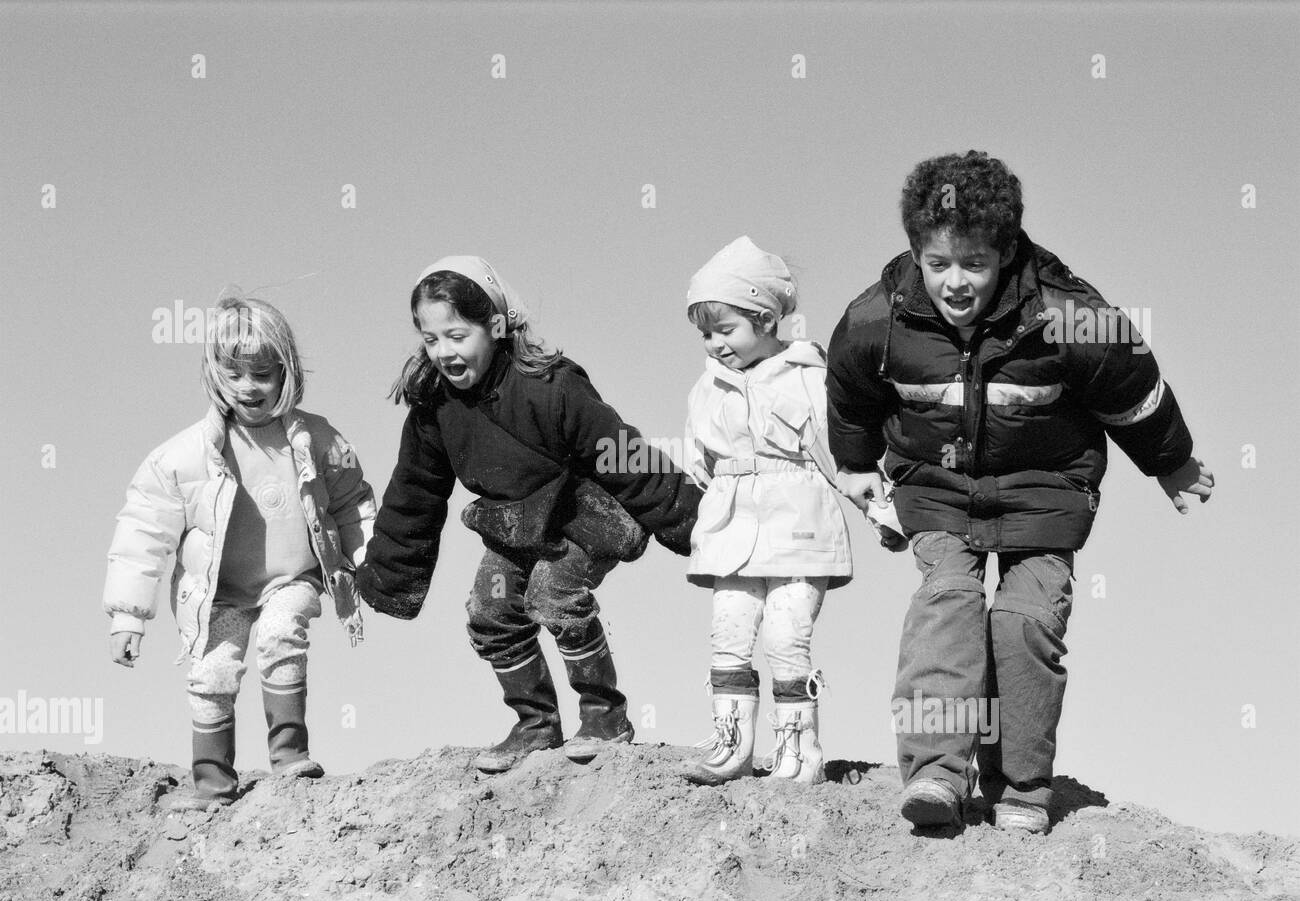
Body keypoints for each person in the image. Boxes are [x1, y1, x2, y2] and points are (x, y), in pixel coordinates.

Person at [828, 151, 1213, 832]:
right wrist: (856, 463)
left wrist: (1172, 462)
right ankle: (937, 774)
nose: (954, 281)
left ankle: (1022, 788)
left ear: (1007, 251)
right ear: (915, 250)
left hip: (1046, 493)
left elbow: (1133, 390)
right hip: (938, 489)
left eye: (974, 263)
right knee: (946, 603)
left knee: (1022, 624)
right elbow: (851, 393)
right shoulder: (878, 319)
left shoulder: (1067, 315)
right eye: (938, 262)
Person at [356, 256, 699, 773]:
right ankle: (535, 722)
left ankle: (605, 716)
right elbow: (415, 492)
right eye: (431, 340)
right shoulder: (434, 407)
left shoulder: (551, 385)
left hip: (588, 517)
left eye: (456, 334)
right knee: (489, 614)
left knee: (552, 594)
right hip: (516, 529)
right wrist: (386, 575)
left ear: (495, 325)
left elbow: (621, 452)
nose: (444, 352)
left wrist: (700, 523)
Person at [105, 294, 375, 810]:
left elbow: (352, 503)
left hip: (291, 577)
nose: (249, 387)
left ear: (286, 371)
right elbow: (143, 532)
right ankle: (213, 786)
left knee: (280, 635)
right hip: (221, 594)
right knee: (212, 676)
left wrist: (364, 566)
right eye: (234, 374)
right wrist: (127, 616)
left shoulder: (315, 439)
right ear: (214, 374)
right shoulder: (183, 457)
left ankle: (291, 759)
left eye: (263, 373)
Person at [680, 236, 901, 786]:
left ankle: (798, 748)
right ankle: (731, 743)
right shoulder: (706, 389)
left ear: (766, 318)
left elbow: (837, 453)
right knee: (728, 629)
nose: (714, 344)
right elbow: (699, 461)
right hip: (732, 531)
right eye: (706, 333)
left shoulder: (808, 376)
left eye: (725, 329)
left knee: (784, 633)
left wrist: (880, 511)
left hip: (800, 528)